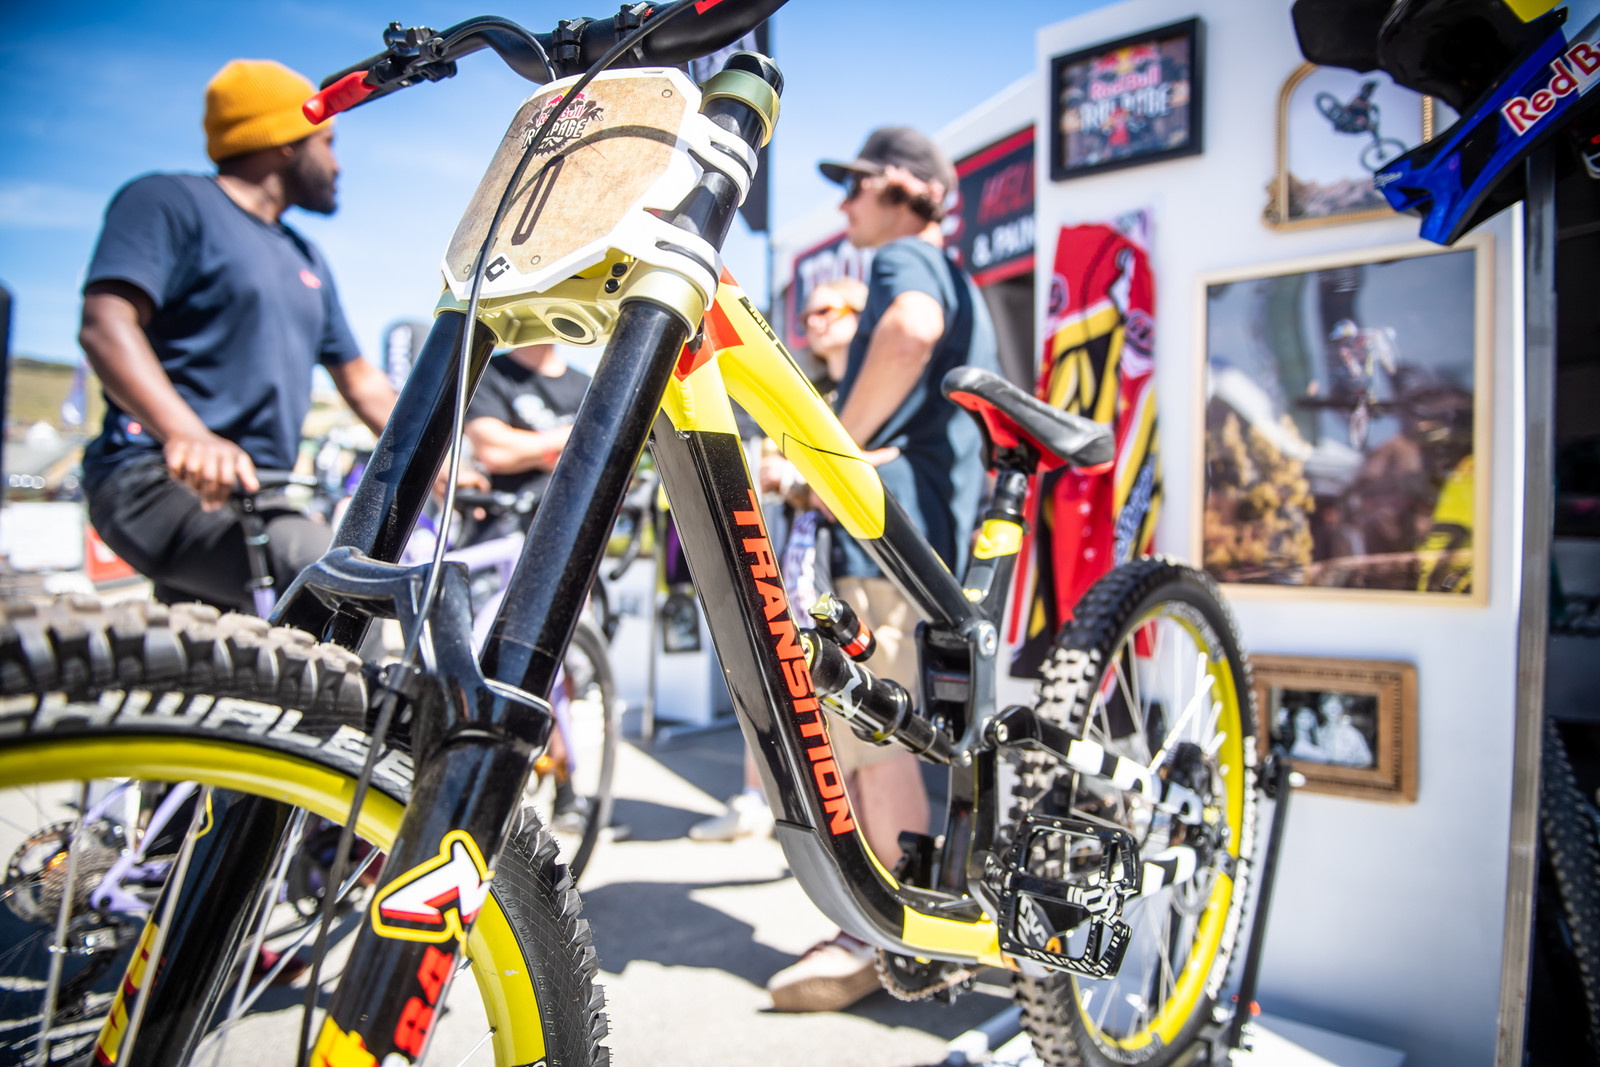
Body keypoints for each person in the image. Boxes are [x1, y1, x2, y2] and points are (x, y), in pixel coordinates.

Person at [764, 128, 1000, 1014]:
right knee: (872, 740)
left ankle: (894, 933)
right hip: (909, 550)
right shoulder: (935, 262)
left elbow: (907, 331)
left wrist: (828, 457)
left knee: (878, 740)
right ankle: (888, 924)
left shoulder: (905, 259)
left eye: (855, 187)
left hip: (892, 551)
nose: (843, 207)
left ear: (903, 188)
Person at [79, 59, 396, 612]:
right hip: (158, 477)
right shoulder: (170, 202)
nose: (337, 165)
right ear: (285, 142)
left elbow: (362, 382)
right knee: (342, 584)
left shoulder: (305, 257)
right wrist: (188, 434)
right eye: (328, 143)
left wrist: (443, 457)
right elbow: (105, 322)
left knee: (224, 670)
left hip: (256, 491)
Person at [688, 278, 868, 844]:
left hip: (850, 567)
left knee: (841, 694)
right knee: (770, 671)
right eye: (809, 313)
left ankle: (841, 826)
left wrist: (794, 479)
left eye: (828, 310)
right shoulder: (804, 388)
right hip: (799, 556)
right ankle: (756, 800)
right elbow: (780, 477)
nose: (814, 321)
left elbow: (844, 482)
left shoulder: (870, 389)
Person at [463, 341, 591, 540]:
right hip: (501, 528)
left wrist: (526, 451)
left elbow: (598, 458)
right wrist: (570, 436)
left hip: (569, 527)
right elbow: (494, 452)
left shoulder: (586, 383)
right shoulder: (488, 372)